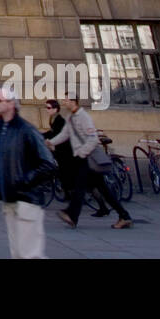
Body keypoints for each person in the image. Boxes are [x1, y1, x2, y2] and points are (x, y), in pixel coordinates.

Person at [0, 85, 57, 259]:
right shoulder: (2, 129)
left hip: (27, 199)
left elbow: (48, 163)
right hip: (10, 198)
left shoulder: (26, 130)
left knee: (30, 254)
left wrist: (24, 180)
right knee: (18, 253)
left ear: (11, 103)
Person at [48, 95, 132, 230]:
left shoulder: (83, 117)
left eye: (66, 100)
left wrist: (81, 153)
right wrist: (50, 142)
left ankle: (72, 215)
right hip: (83, 158)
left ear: (73, 102)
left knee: (80, 188)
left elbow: (93, 139)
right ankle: (124, 216)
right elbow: (65, 134)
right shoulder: (71, 117)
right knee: (103, 189)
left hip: (86, 158)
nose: (64, 103)